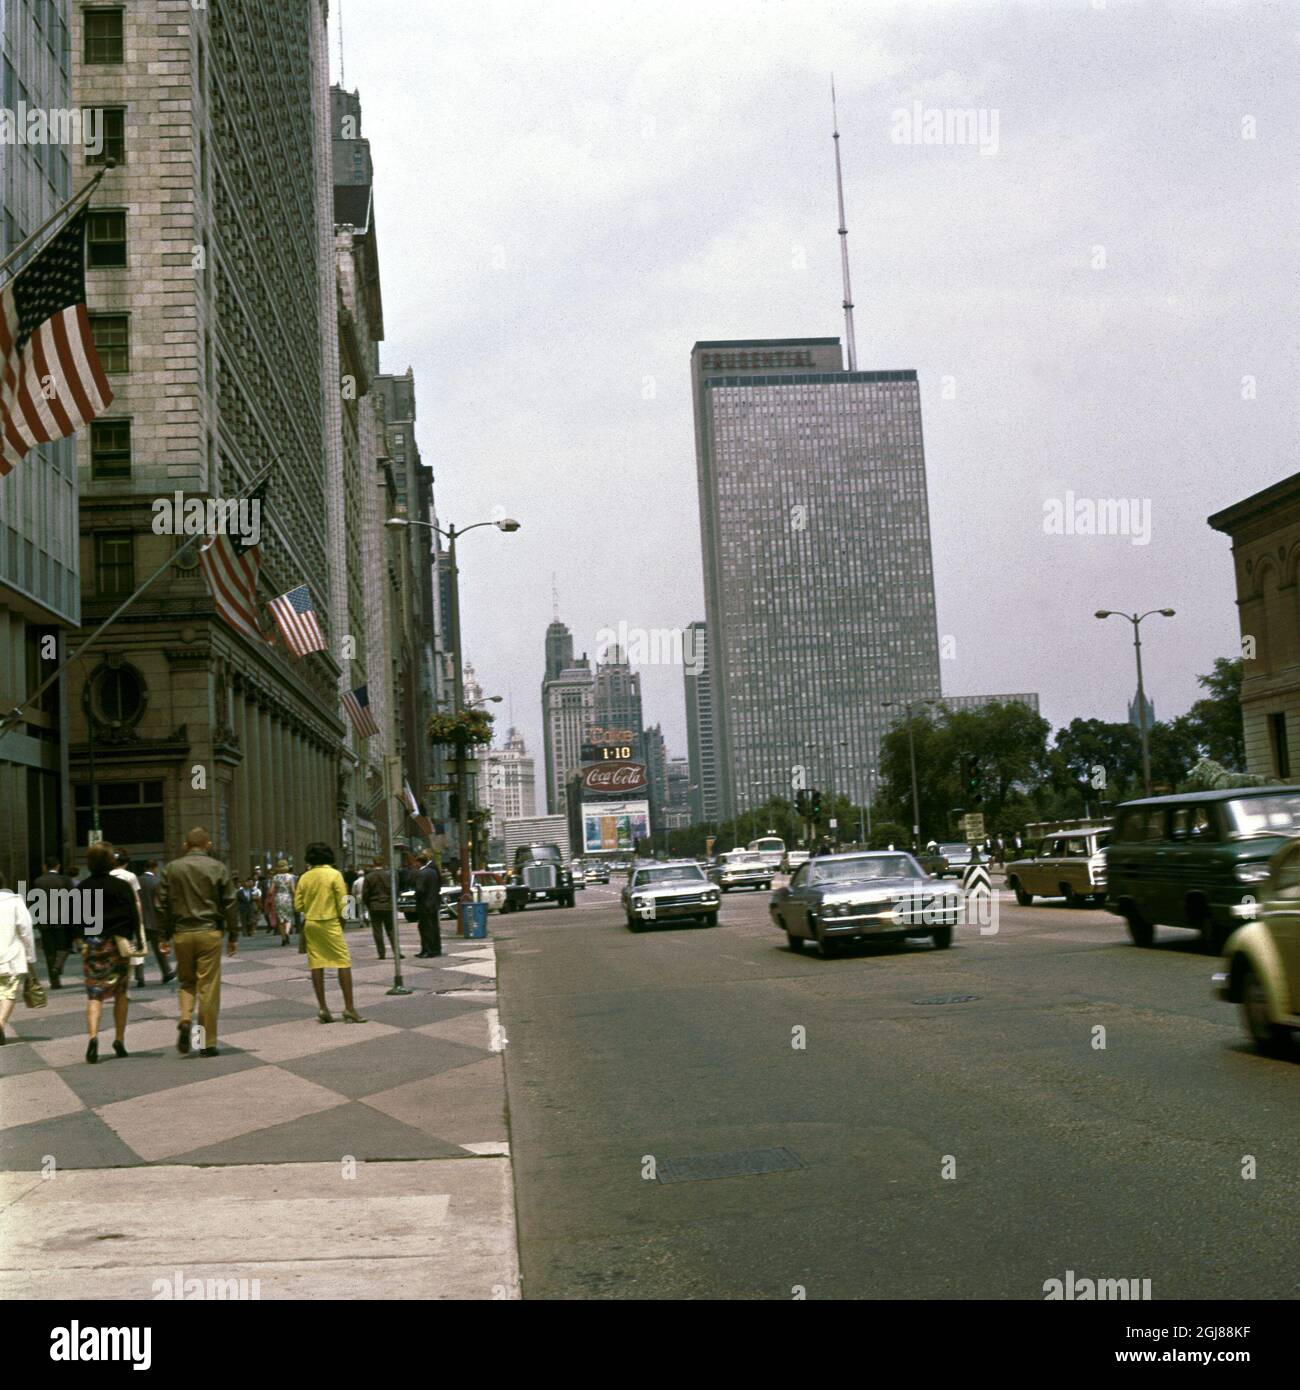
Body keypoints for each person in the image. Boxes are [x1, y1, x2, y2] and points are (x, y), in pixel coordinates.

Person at [155, 827, 238, 1058]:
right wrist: (233, 935)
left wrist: (162, 936)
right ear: (207, 845)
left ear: (185, 845)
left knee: (186, 981)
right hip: (209, 932)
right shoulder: (217, 867)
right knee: (208, 988)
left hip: (181, 933)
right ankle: (205, 1042)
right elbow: (230, 902)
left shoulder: (172, 868)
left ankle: (184, 1018)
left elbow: (161, 904)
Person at [72, 842, 140, 1063]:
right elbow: (133, 916)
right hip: (116, 945)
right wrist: (136, 940)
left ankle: (93, 1038)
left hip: (93, 944)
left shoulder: (82, 887)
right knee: (121, 991)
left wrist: (80, 940)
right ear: (111, 861)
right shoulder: (121, 886)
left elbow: (74, 919)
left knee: (94, 993)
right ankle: (119, 1039)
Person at [294, 842, 366, 1023]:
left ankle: (323, 1008)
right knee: (343, 962)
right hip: (330, 922)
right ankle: (349, 1008)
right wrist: (347, 920)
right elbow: (344, 902)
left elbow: (298, 905)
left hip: (311, 923)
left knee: (316, 964)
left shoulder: (304, 877)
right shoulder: (335, 874)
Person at [0, 870, 37, 1045]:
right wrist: (30, 957)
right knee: (9, 992)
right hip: (11, 956)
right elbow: (26, 930)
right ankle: (0, 1021)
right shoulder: (14, 901)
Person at [31, 856, 75, 989]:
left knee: (49, 951)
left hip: (45, 922)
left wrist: (36, 920)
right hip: (62, 921)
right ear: (58, 866)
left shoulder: (38, 881)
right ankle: (58, 967)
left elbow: (34, 902)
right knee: (64, 948)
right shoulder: (65, 880)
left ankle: (54, 981)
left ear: (45, 866)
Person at [138, 858, 174, 984]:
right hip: (154, 920)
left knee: (139, 949)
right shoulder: (156, 882)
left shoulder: (137, 880)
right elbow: (161, 903)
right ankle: (166, 971)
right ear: (155, 868)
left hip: (140, 920)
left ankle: (139, 976)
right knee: (159, 948)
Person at [362, 855, 396, 960]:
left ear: (373, 863)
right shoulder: (388, 875)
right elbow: (394, 890)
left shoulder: (368, 877)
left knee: (377, 931)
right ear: (382, 862)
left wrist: (368, 904)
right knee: (391, 930)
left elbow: (365, 894)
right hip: (387, 905)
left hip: (374, 905)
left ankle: (381, 953)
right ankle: (397, 952)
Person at [414, 850, 443, 958]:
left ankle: (427, 950)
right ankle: (435, 949)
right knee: (434, 927)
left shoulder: (422, 873)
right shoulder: (433, 871)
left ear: (419, 862)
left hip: (424, 904)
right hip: (433, 903)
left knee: (425, 928)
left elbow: (420, 889)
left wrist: (416, 895)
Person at [269, 859, 295, 946]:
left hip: (279, 898)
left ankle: (283, 938)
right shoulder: (290, 877)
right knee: (288, 918)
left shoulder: (275, 877)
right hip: (287, 898)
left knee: (280, 920)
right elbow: (293, 890)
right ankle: (287, 932)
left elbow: (270, 891)